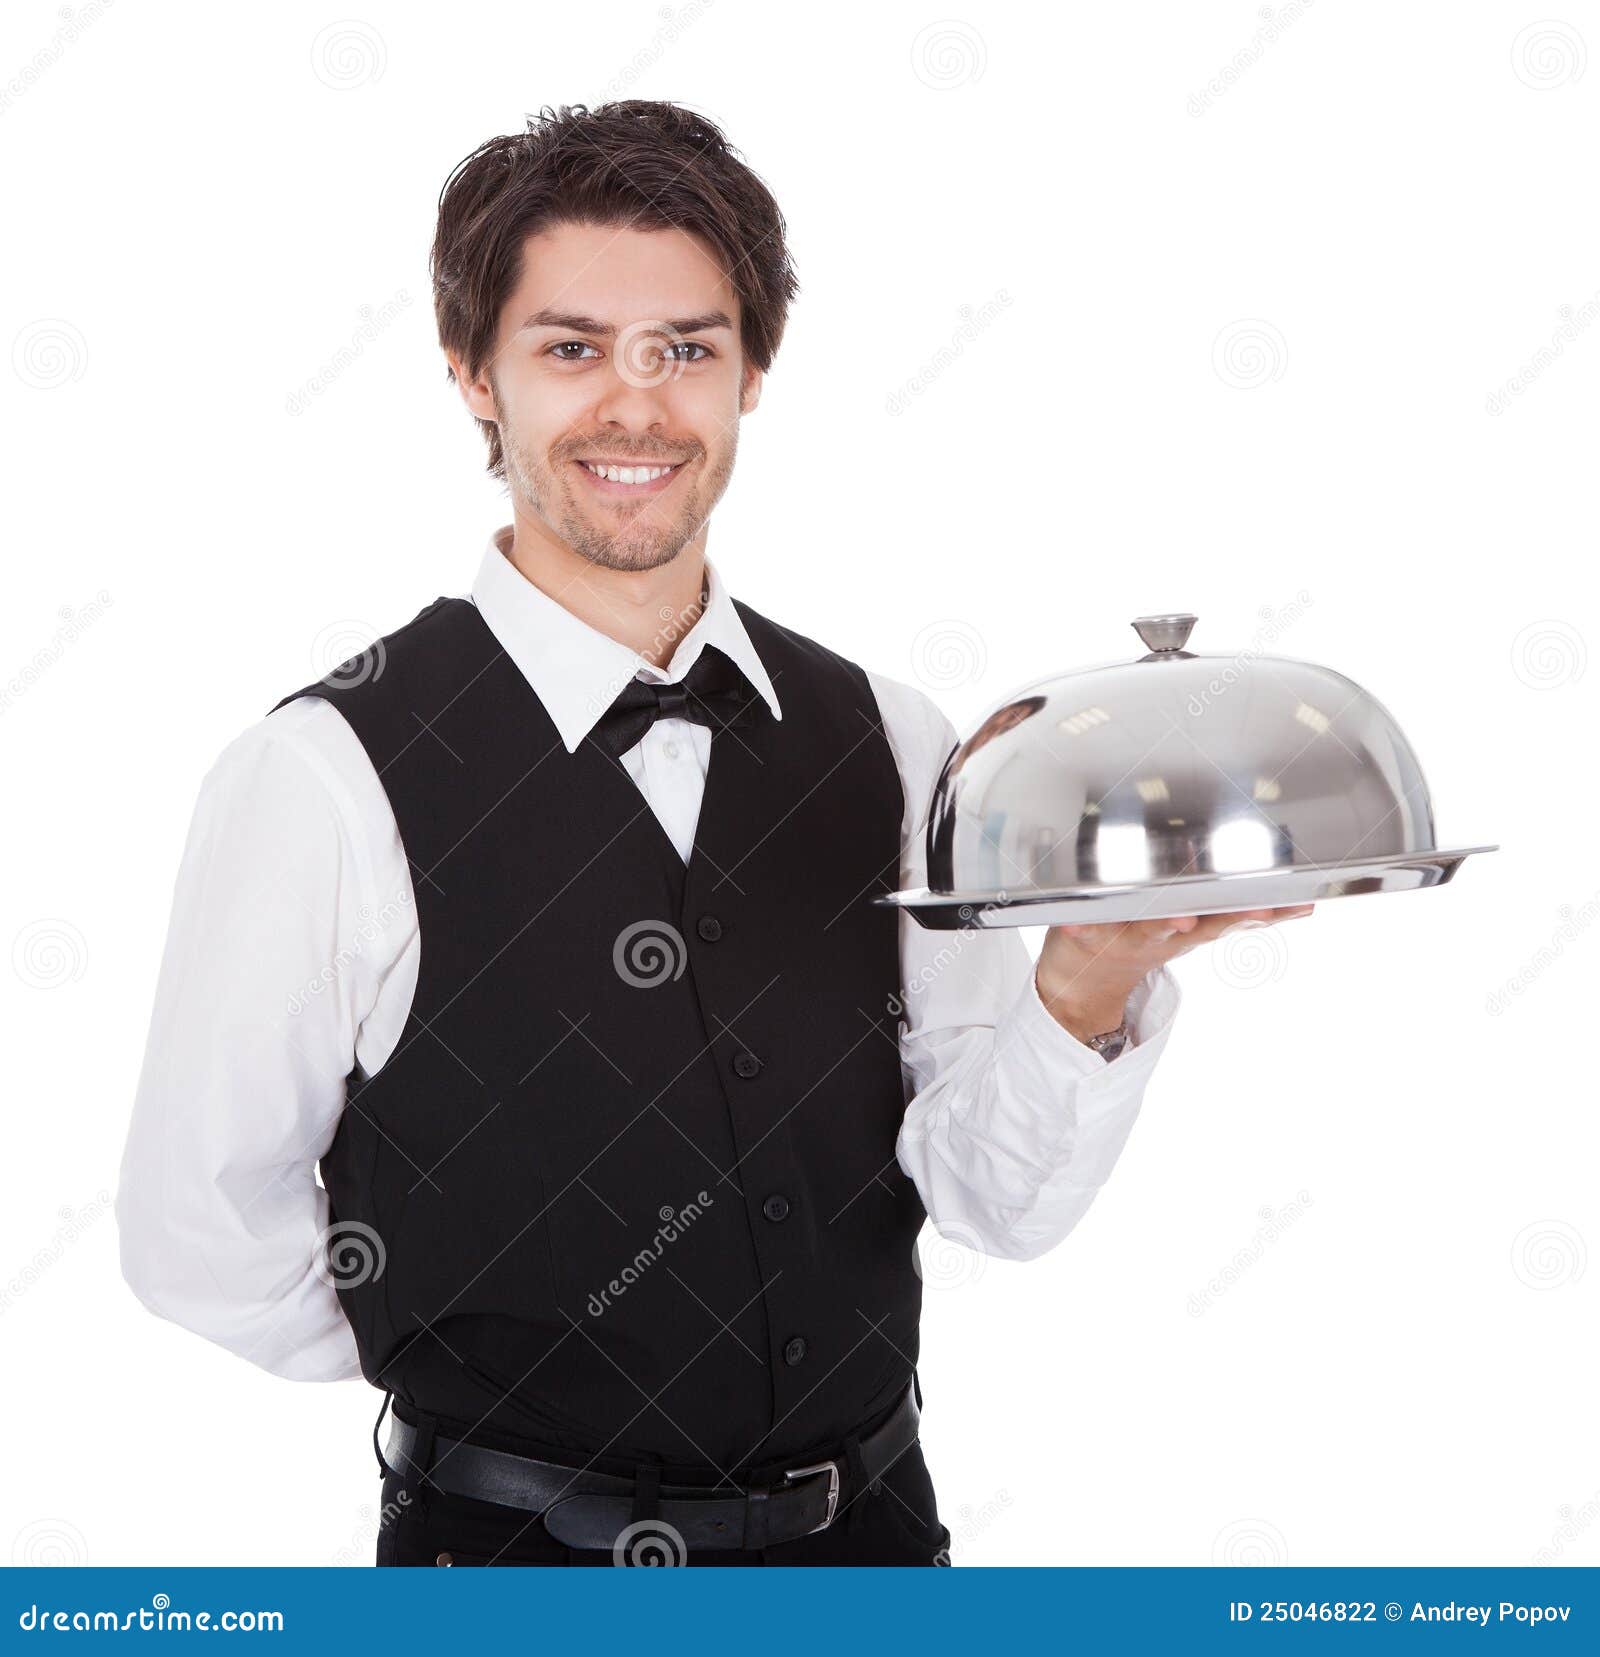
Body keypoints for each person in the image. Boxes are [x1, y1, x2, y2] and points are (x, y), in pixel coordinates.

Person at [114, 99, 1311, 1567]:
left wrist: (1085, 989)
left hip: (876, 1546)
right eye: (571, 348)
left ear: (754, 371)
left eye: (686, 348)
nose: (638, 406)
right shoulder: (321, 774)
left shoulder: (896, 737)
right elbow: (198, 1236)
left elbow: (995, 1204)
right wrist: (478, 1388)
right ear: (470, 372)